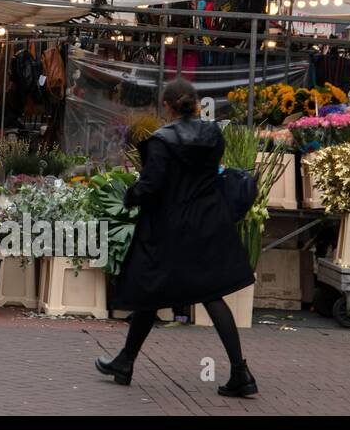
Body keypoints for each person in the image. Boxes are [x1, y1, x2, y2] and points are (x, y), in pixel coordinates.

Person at [97, 78, 259, 397]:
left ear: (167, 107)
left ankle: (126, 361)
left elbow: (152, 185)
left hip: (172, 226)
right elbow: (212, 174)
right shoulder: (214, 134)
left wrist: (129, 195)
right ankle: (239, 372)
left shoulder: (162, 140)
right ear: (196, 104)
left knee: (151, 286)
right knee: (211, 294)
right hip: (210, 221)